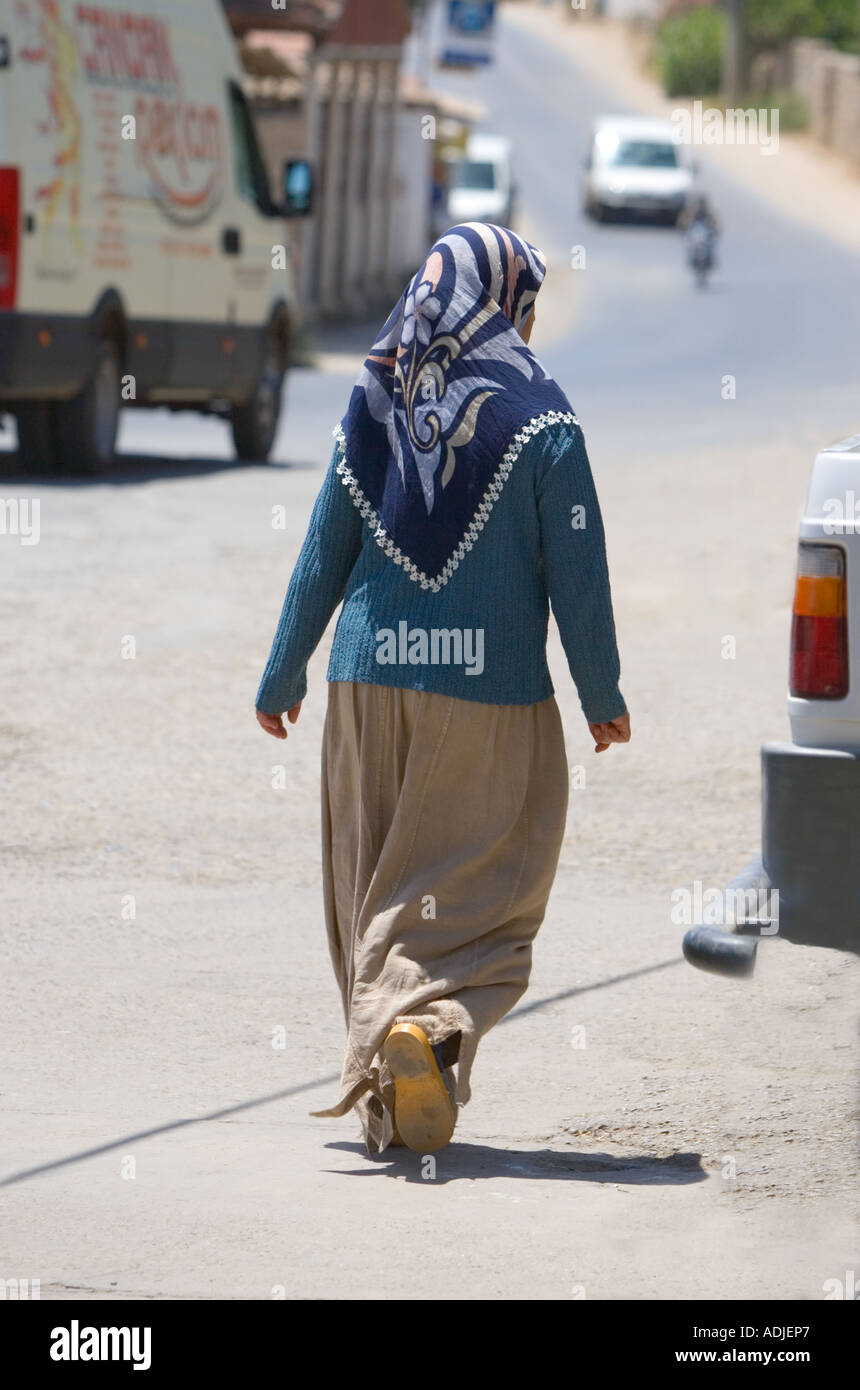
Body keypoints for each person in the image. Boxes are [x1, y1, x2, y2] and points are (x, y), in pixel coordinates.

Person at [255, 222, 630, 1156]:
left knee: (375, 888)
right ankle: (428, 1029)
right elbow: (576, 569)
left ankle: (398, 1088)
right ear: (505, 306)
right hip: (488, 696)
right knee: (489, 892)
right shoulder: (547, 424)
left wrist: (282, 668)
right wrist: (601, 692)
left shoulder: (372, 407)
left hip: (361, 687)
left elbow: (322, 550)